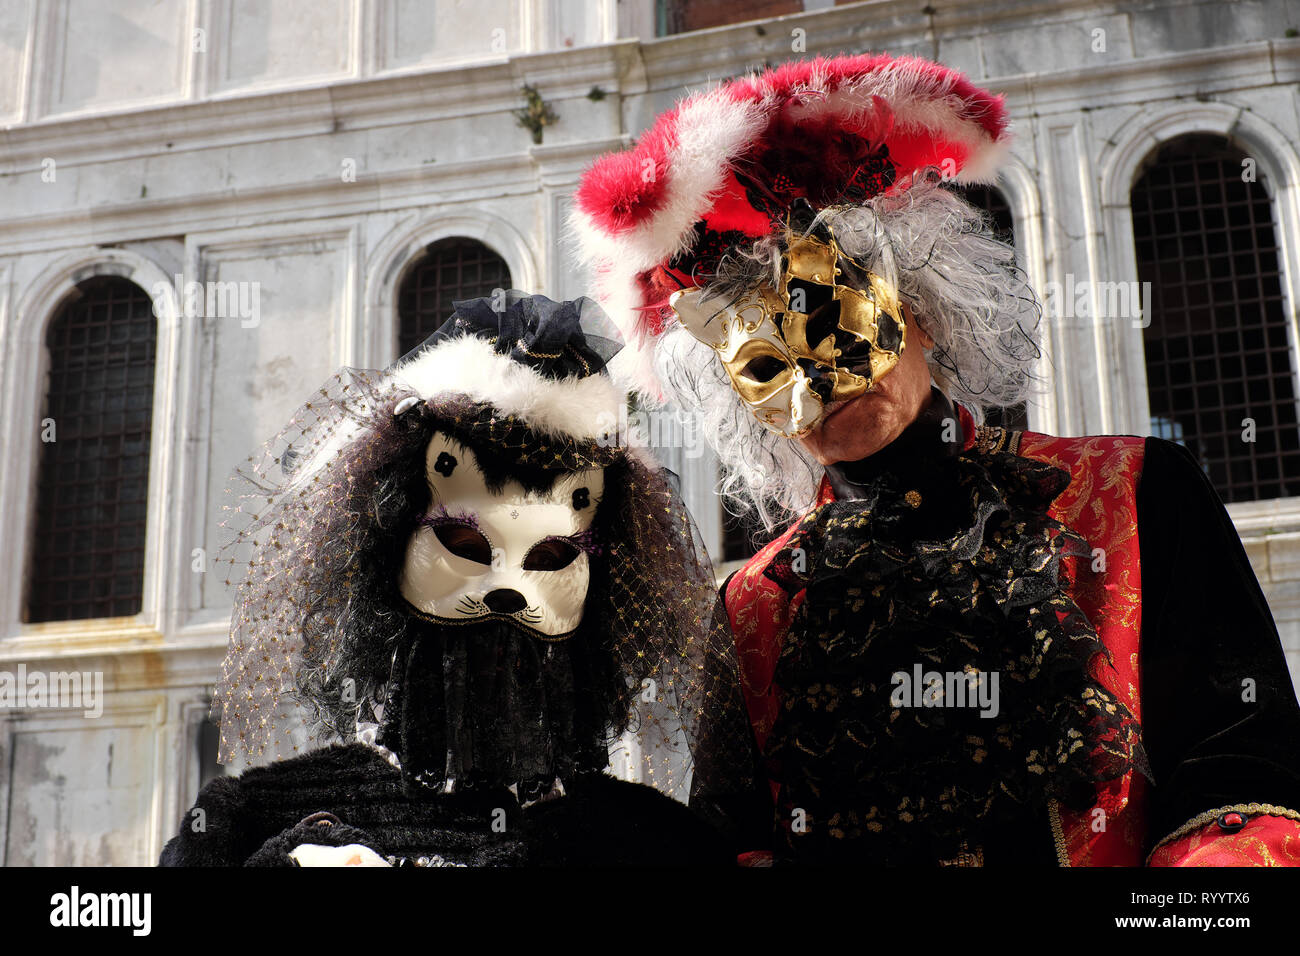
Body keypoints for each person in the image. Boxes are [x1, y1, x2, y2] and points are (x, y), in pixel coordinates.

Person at [571, 54, 1300, 865]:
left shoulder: (1134, 498)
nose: (819, 382)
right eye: (767, 368)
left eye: (831, 326)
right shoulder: (751, 611)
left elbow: (1239, 785)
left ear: (916, 302)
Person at [160, 292, 746, 866]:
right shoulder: (248, 821)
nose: (506, 592)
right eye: (464, 545)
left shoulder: (654, 844)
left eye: (550, 557)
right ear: (383, 560)